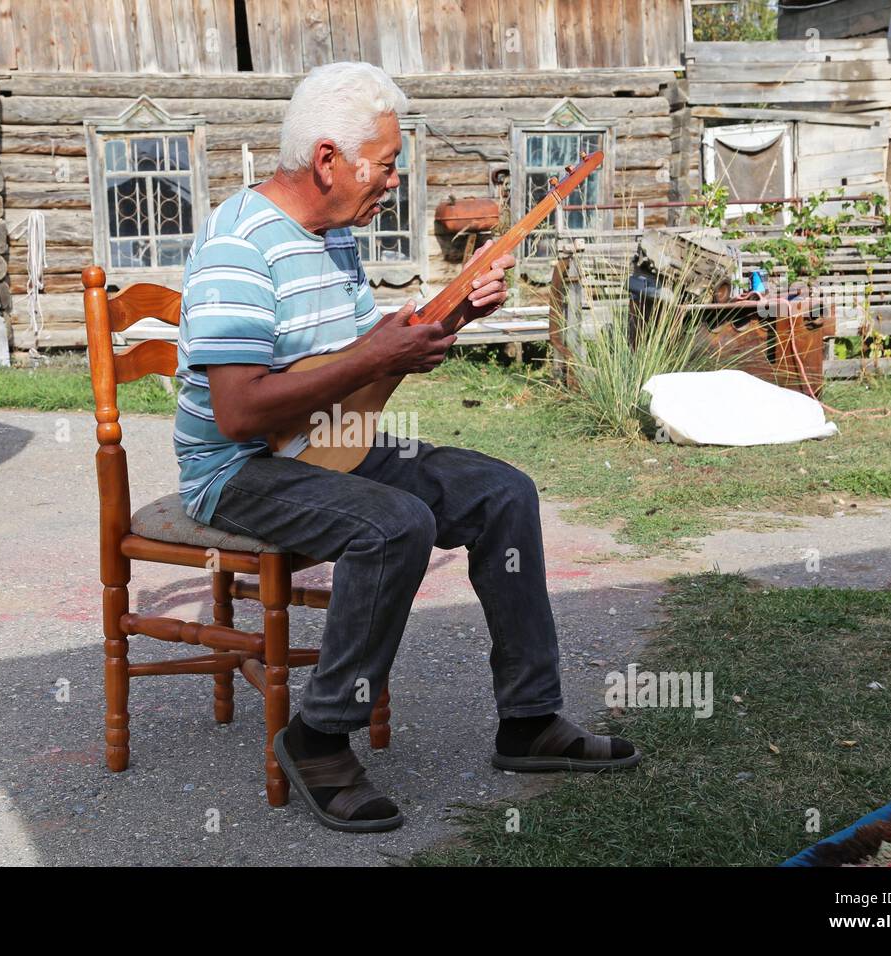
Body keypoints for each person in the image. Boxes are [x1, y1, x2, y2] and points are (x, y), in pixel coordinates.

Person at [173, 61, 640, 833]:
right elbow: (238, 414)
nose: (393, 181)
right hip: (241, 470)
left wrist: (451, 319)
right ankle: (318, 736)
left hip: (332, 439)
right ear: (328, 160)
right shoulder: (237, 247)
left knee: (503, 493)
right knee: (394, 526)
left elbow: (356, 364)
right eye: (385, 164)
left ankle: (529, 719)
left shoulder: (333, 236)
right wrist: (375, 357)